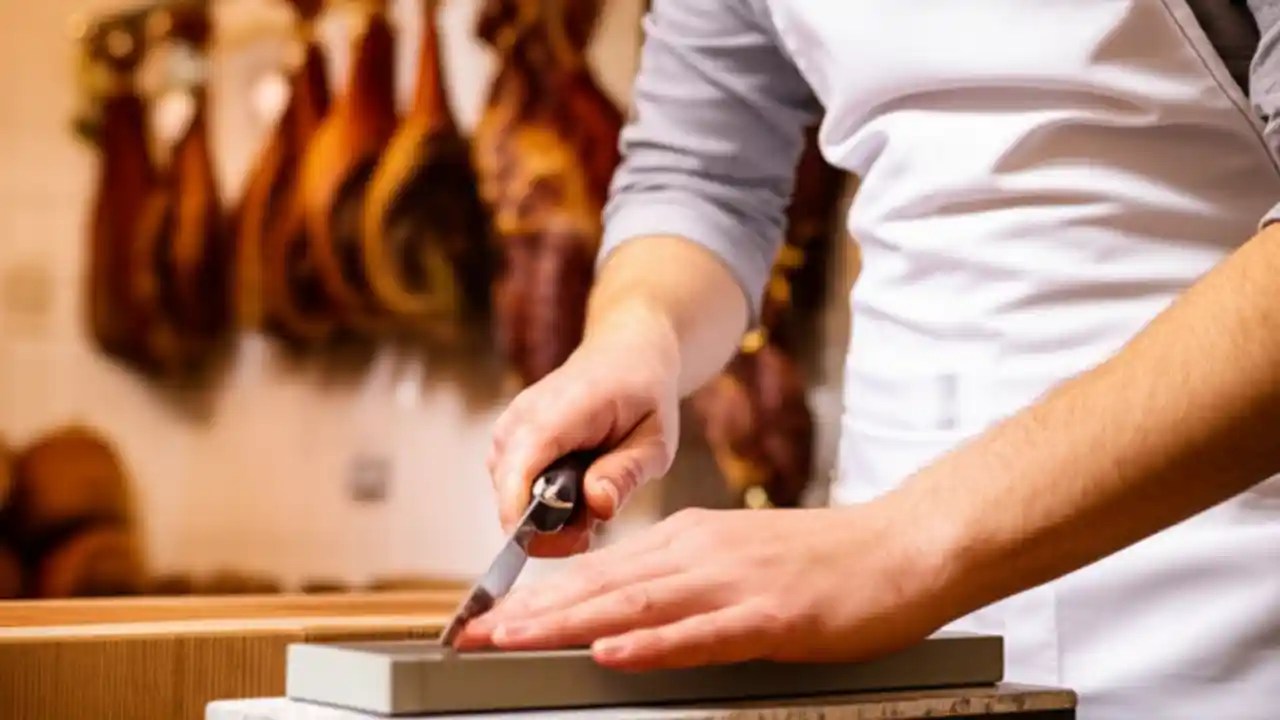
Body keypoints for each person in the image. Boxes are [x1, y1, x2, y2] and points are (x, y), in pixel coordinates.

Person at [459, 1, 1280, 718]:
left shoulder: (895, 554)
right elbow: (702, 176)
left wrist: (900, 550)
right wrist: (639, 338)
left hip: (1228, 600)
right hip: (877, 623)